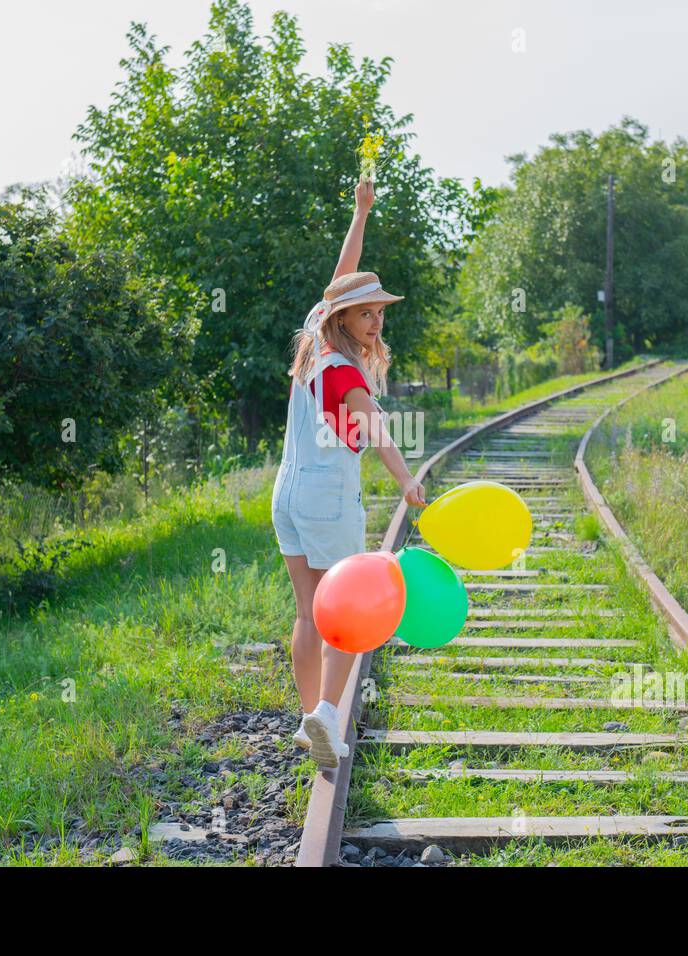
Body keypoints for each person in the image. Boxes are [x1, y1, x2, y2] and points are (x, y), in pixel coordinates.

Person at [271, 177, 427, 770]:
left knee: (308, 609)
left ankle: (311, 714)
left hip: (287, 491)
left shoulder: (315, 336)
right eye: (364, 314)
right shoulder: (345, 374)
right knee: (344, 616)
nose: (375, 323)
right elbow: (380, 432)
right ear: (343, 318)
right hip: (327, 498)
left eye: (379, 313)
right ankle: (327, 718)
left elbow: (344, 268)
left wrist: (360, 212)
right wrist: (407, 482)